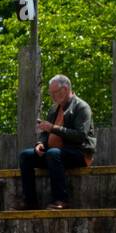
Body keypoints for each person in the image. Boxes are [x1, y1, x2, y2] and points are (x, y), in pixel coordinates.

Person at [18, 74, 96, 210]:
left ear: (65, 89)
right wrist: (40, 144)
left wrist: (53, 128)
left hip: (79, 154)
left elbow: (80, 136)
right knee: (26, 156)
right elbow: (45, 133)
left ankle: (61, 200)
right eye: (51, 93)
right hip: (54, 155)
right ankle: (30, 202)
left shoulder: (81, 107)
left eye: (55, 93)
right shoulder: (54, 109)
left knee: (53, 154)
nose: (53, 97)